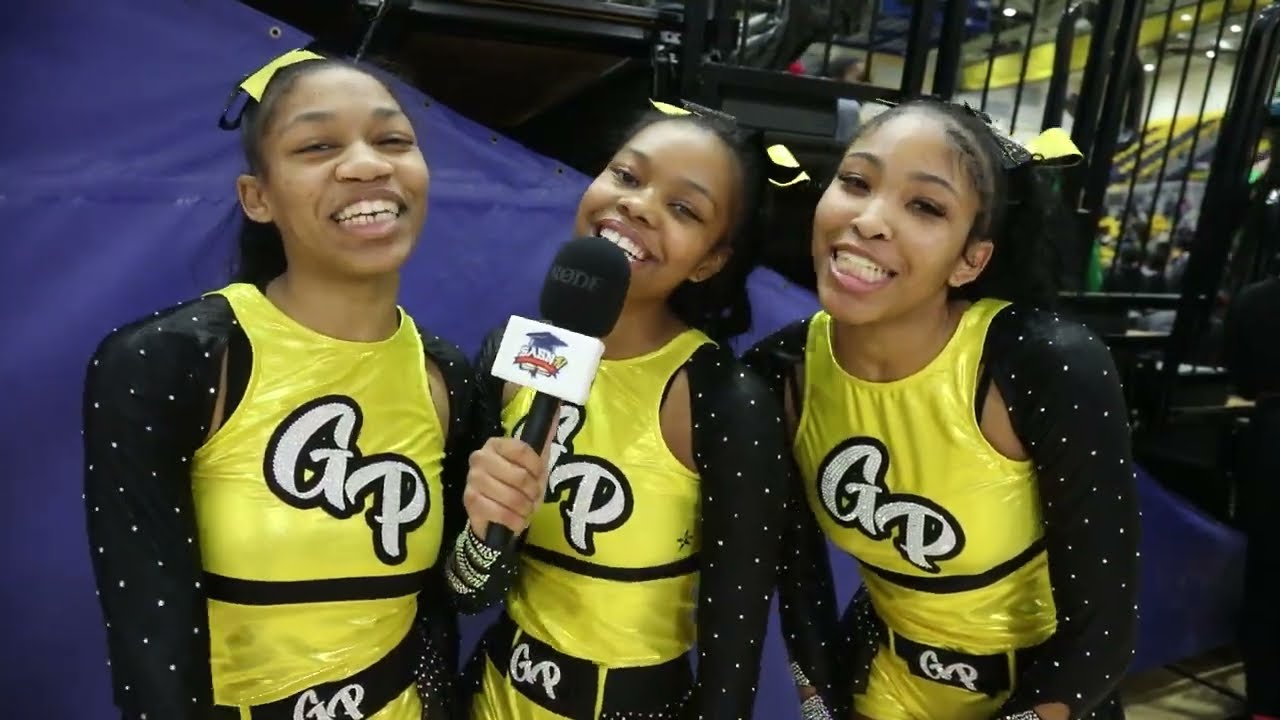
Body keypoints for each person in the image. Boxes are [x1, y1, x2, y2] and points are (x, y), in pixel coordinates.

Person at [83, 49, 487, 720]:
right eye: (318, 146)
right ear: (258, 198)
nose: (366, 165)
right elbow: (150, 647)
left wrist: (495, 529)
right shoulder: (170, 362)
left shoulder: (445, 374)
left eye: (392, 140)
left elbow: (465, 593)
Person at [743, 97, 1140, 720]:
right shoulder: (780, 372)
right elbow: (799, 586)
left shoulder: (1043, 364)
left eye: (925, 206)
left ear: (969, 260)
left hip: (1040, 697)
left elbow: (1103, 634)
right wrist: (821, 706)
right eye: (856, 182)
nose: (870, 220)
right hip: (882, 683)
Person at [444, 100, 791, 719]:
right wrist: (484, 530)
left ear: (710, 260)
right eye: (627, 176)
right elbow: (466, 594)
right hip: (490, 696)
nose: (639, 205)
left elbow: (733, 658)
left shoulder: (725, 399)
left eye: (684, 209)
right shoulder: (515, 350)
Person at [1223, 253, 1280, 720]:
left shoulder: (1253, 300)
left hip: (1269, 438)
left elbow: (1239, 378)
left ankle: (1264, 703)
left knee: (1265, 578)